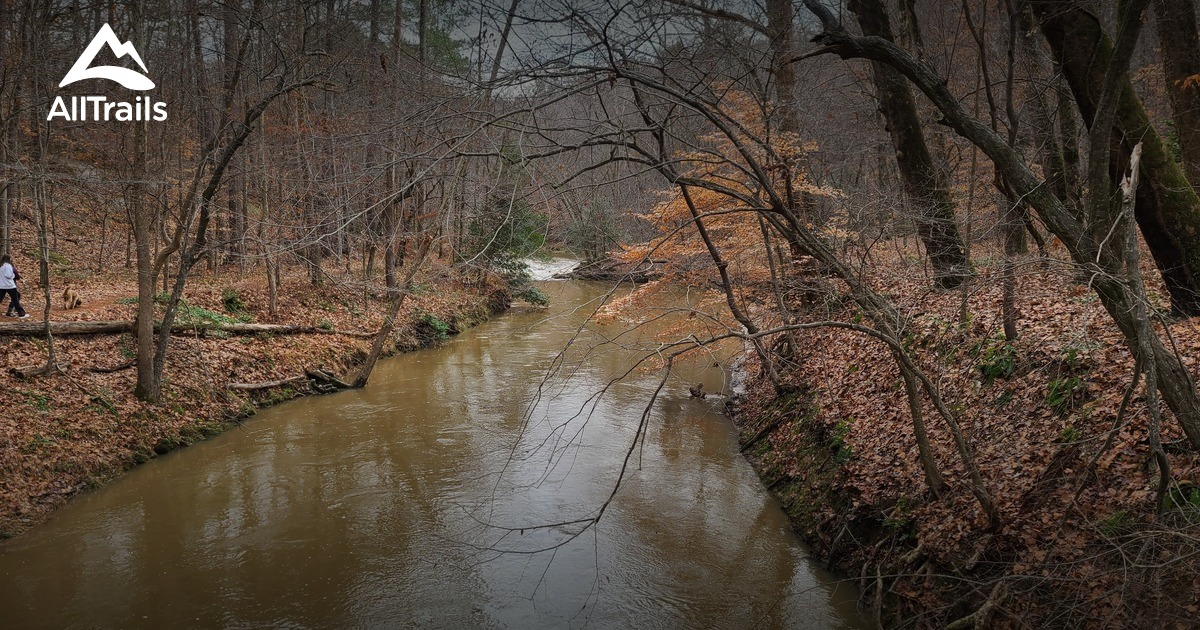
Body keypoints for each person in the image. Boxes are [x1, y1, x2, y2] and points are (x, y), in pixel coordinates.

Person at [0, 253, 29, 318]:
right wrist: (13, 275)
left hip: (2, 286)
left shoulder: (1, 267)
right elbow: (9, 275)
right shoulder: (8, 266)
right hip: (10, 286)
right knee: (15, 299)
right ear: (9, 259)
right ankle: (21, 313)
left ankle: (17, 312)